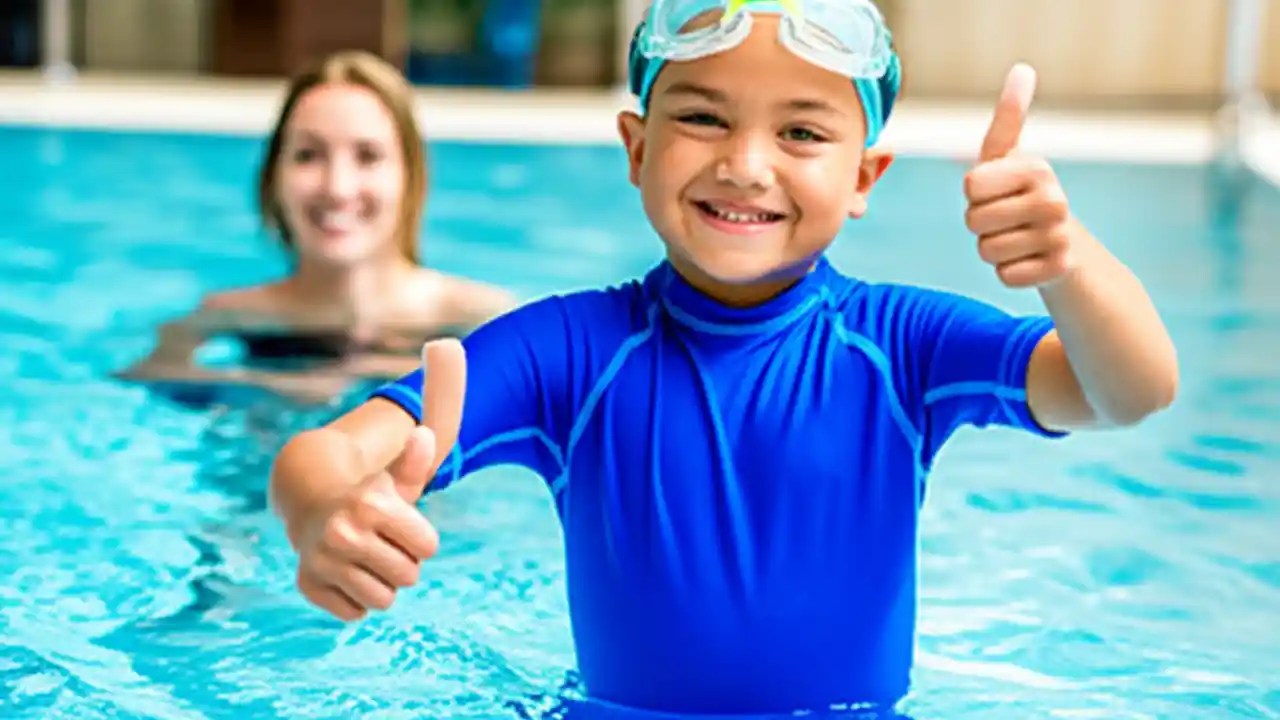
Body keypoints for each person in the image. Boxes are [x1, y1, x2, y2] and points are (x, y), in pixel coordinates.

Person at [267, 1, 1179, 715]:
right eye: (702, 117)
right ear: (637, 148)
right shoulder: (568, 354)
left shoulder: (903, 348)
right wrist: (320, 513)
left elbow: (1125, 390)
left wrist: (1068, 263)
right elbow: (330, 452)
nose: (746, 165)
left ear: (865, 177)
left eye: (803, 133)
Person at [120, 50, 515, 404]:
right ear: (273, 177)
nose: (337, 188)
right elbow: (137, 386)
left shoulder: (479, 320)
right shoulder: (227, 317)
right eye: (308, 155)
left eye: (368, 156)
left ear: (410, 177)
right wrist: (265, 385)